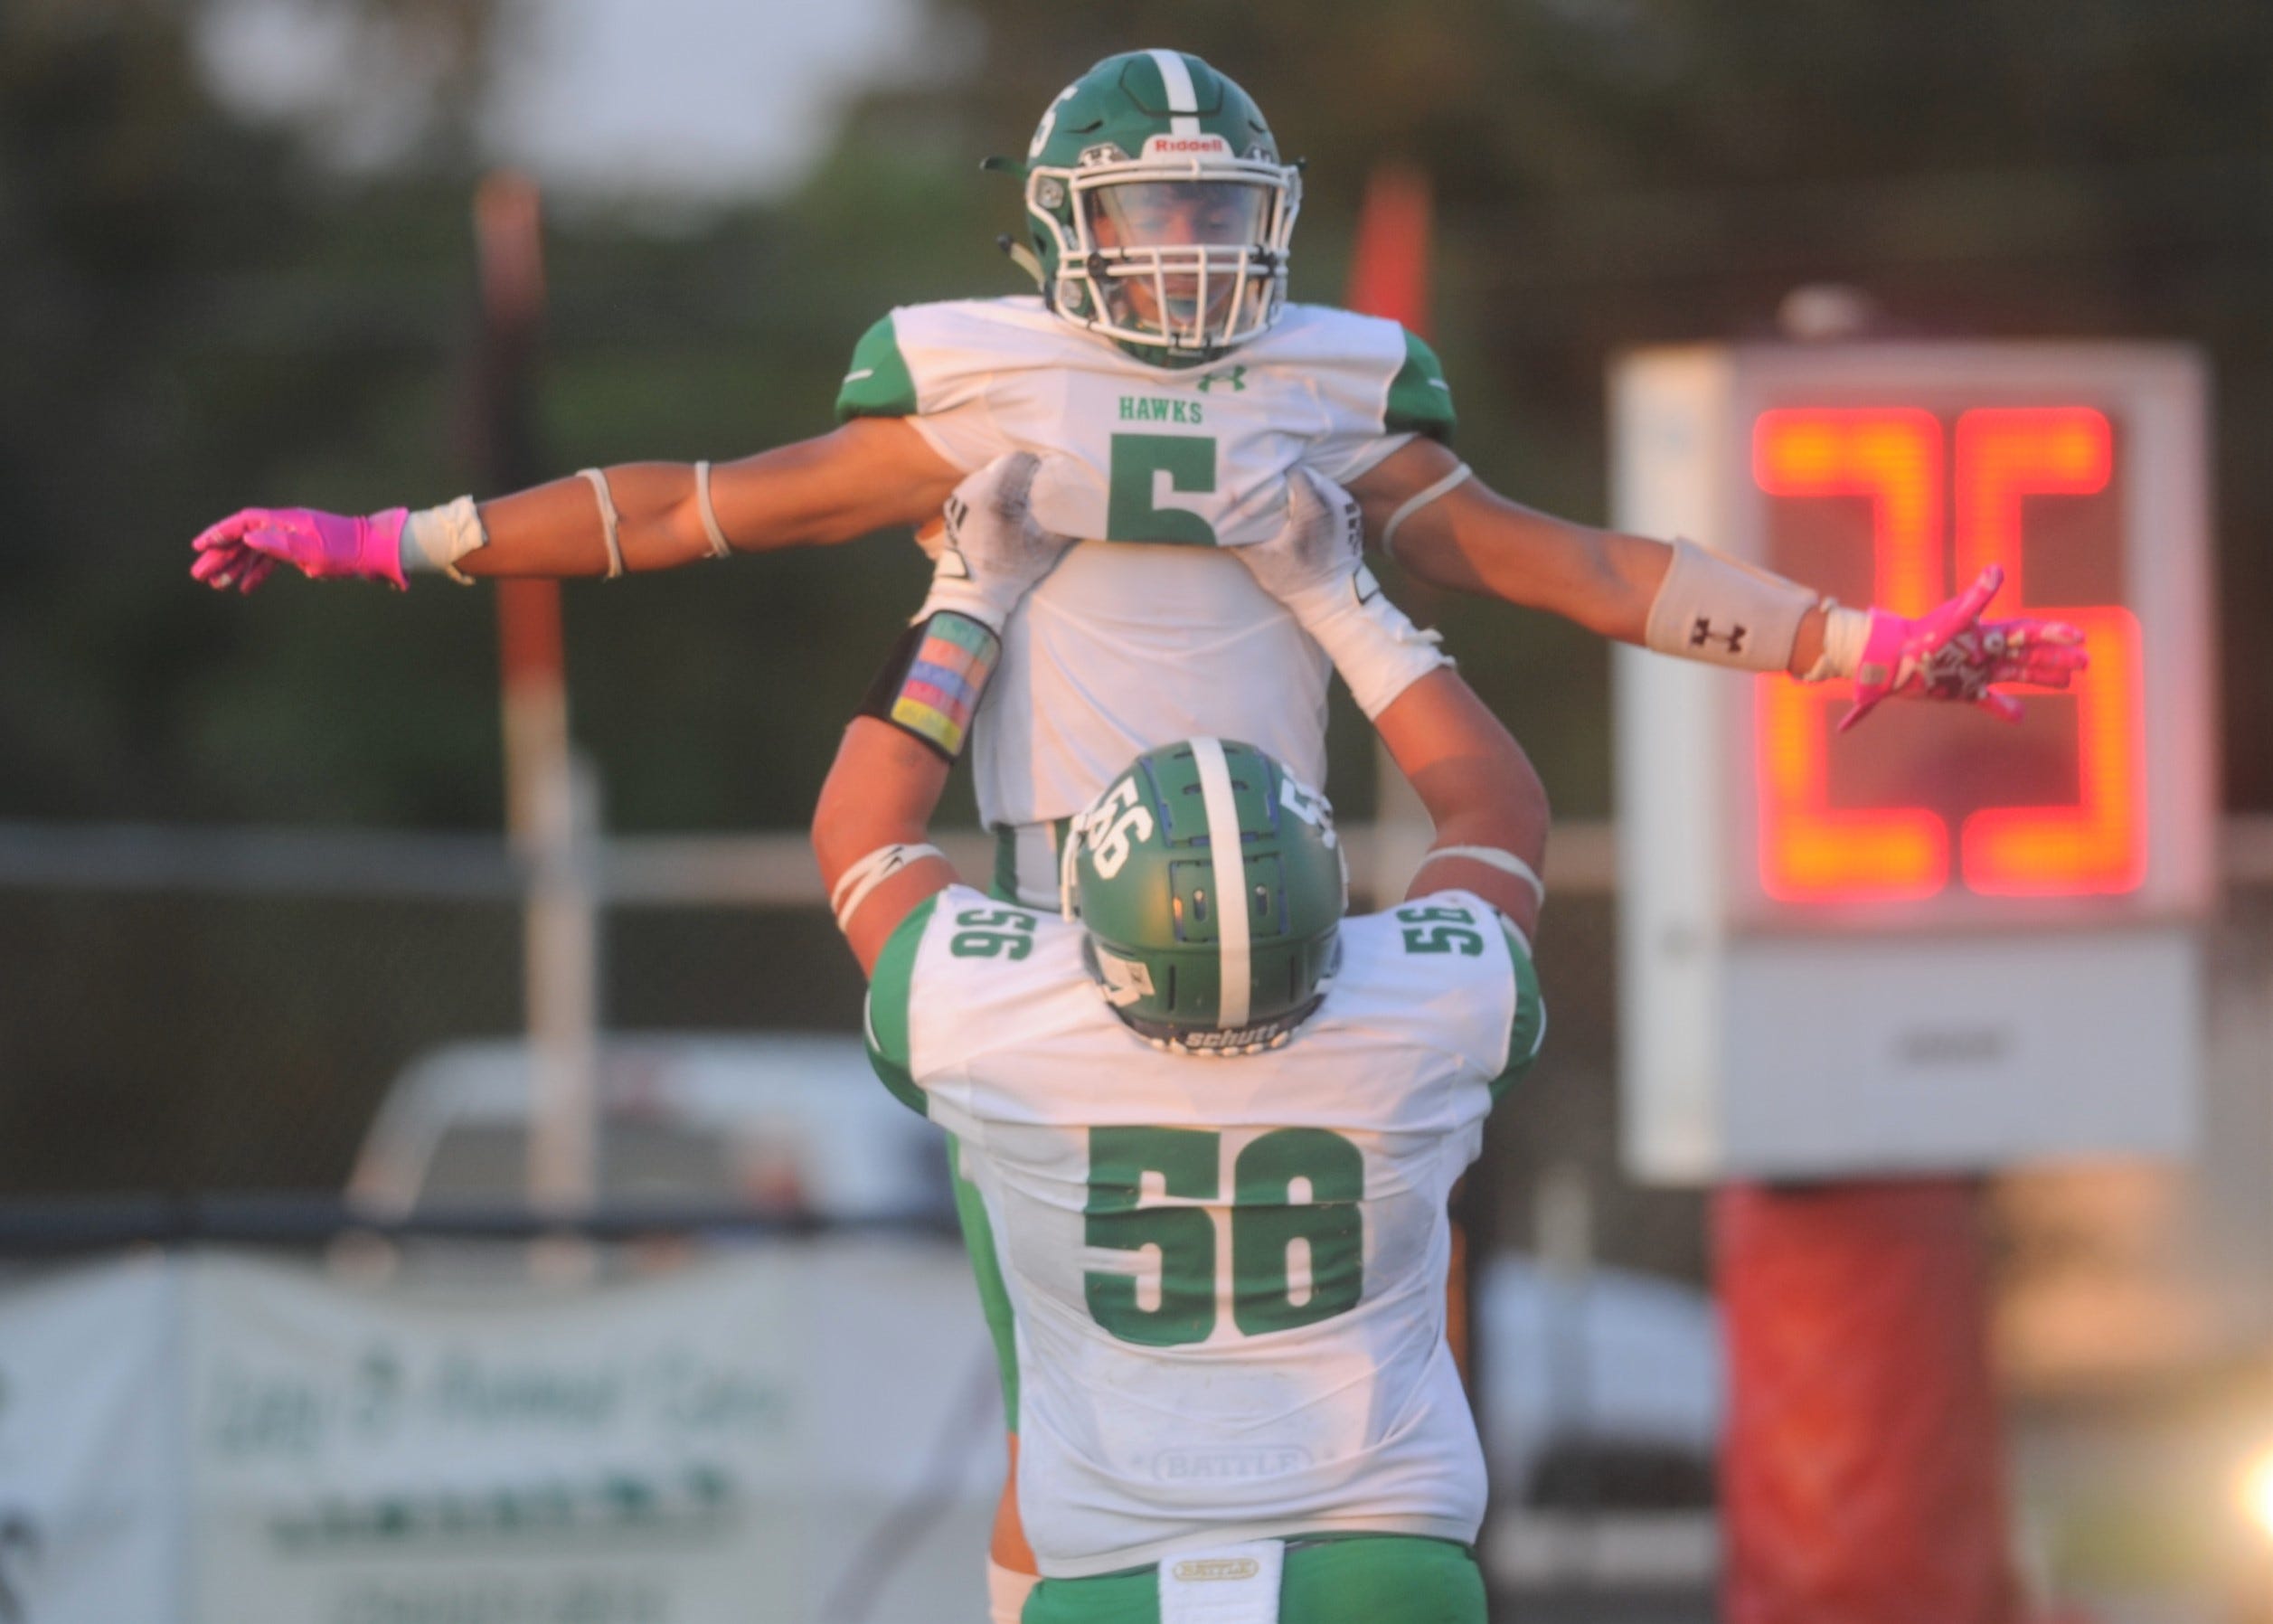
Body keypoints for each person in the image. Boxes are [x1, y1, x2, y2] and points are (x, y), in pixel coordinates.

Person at [185, 49, 2085, 1616]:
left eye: (1216, 212)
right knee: (1108, 1391)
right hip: (1080, 923)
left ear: (1270, 223)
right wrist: (406, 537)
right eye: (1151, 210)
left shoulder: (1336, 381)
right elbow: (703, 504)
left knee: (1224, 1375)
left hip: (1253, 929)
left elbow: (1560, 561)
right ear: (1061, 229)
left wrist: (1854, 638)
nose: (1186, 252)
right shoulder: (986, 369)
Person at [813, 457, 1550, 1624]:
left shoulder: (993, 1015)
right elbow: (1495, 811)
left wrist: (970, 591)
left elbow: (860, 826)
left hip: (1111, 1570)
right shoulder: (1423, 1002)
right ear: (1331, 910)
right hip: (1377, 1561)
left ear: (1089, 928)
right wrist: (1338, 601)